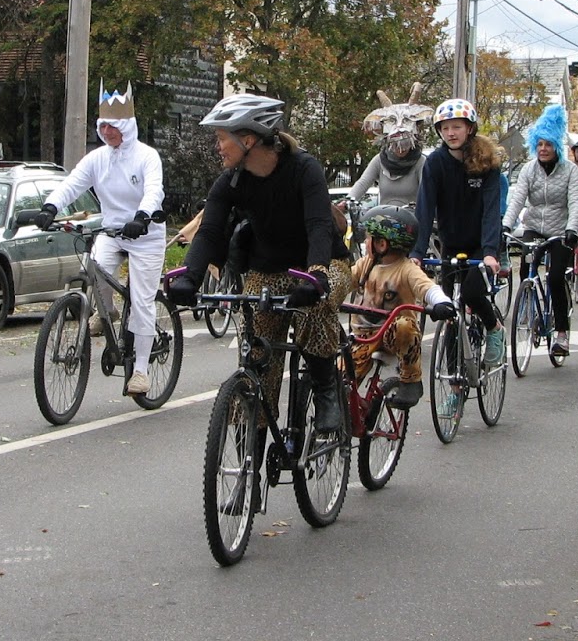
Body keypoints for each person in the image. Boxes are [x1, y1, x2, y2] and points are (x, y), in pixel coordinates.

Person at [164, 93, 352, 433]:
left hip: (324, 264)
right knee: (257, 360)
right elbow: (208, 231)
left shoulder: (304, 169)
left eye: (222, 138)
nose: (217, 147)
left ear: (248, 139)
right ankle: (249, 444)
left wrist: (317, 274)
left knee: (318, 306)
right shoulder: (232, 180)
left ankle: (326, 390)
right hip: (268, 271)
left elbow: (319, 226)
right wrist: (189, 278)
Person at [37, 84, 165, 396]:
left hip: (144, 233)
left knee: (143, 301)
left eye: (112, 126)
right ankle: (107, 311)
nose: (106, 132)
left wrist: (142, 216)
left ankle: (141, 370)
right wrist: (50, 207)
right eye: (103, 126)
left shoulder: (147, 157)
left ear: (126, 127)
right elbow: (72, 184)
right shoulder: (98, 159)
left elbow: (154, 190)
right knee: (98, 269)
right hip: (111, 231)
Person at [414, 98, 506, 364]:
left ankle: (494, 329)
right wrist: (417, 252)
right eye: (445, 128)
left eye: (457, 127)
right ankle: (454, 385)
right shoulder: (435, 163)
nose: (451, 133)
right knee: (448, 311)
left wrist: (490, 253)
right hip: (451, 243)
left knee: (472, 293)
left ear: (470, 129)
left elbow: (491, 212)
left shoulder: (487, 162)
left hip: (481, 244)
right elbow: (424, 209)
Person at [345, 205, 452, 409]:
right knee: (339, 380)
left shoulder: (406, 269)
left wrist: (442, 302)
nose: (365, 242)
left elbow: (427, 287)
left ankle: (411, 380)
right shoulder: (365, 264)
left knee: (405, 325)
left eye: (369, 238)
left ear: (381, 243)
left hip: (392, 335)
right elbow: (344, 282)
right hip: (363, 336)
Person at [501, 102, 578, 357]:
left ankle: (561, 333)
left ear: (556, 146)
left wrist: (572, 229)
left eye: (548, 144)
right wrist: (506, 223)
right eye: (539, 144)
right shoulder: (528, 169)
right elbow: (517, 200)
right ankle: (529, 308)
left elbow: (576, 201)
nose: (544, 149)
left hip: (561, 230)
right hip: (534, 226)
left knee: (556, 277)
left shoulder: (571, 171)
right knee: (527, 268)